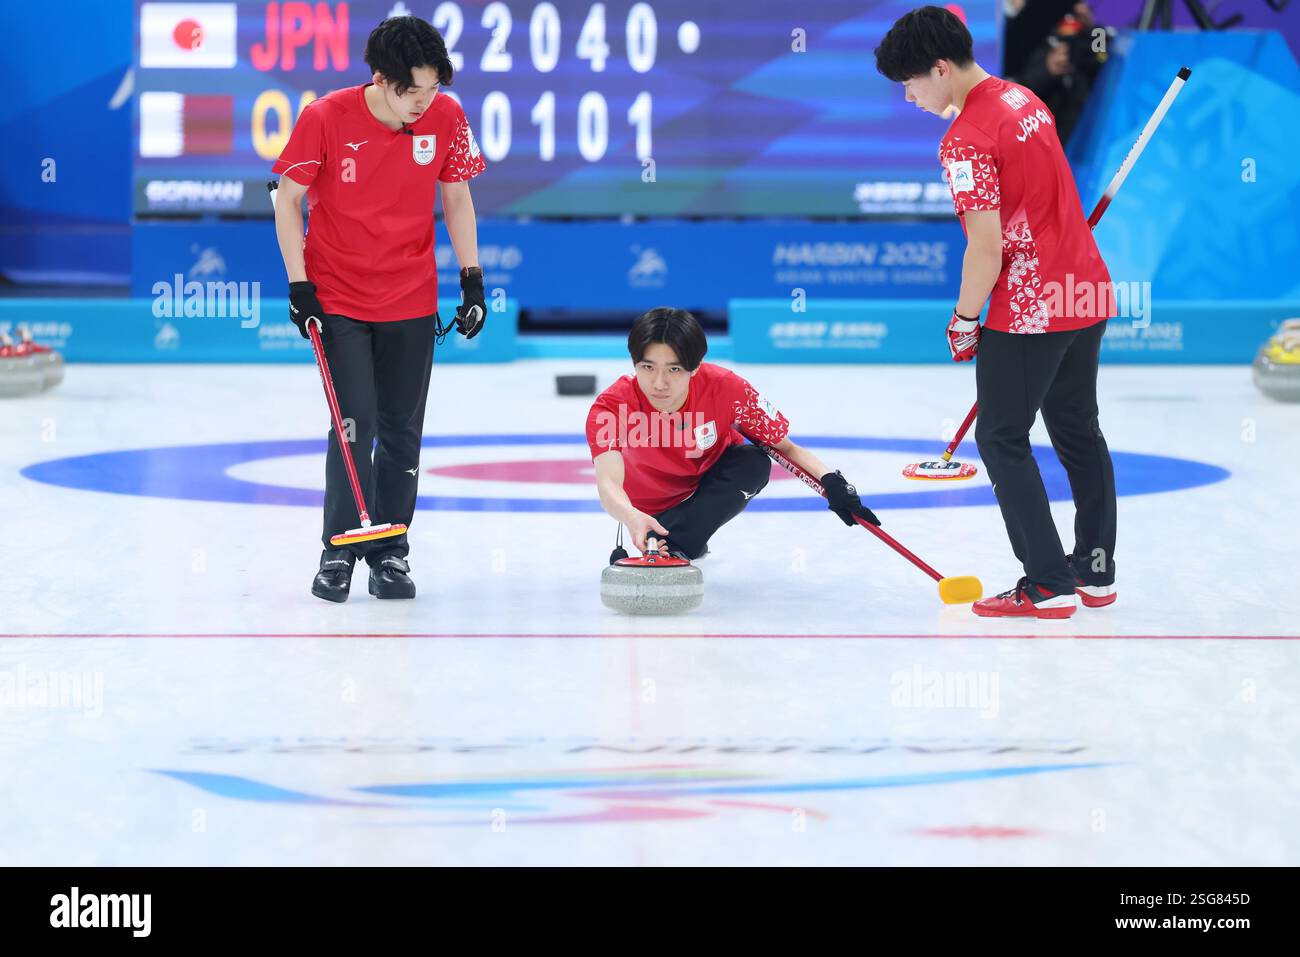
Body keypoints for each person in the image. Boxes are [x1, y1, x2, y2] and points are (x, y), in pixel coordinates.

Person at [874, 6, 1118, 619]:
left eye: (910, 84)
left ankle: (1047, 581)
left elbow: (985, 248)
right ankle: (1094, 572)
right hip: (1084, 288)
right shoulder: (1023, 98)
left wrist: (963, 318)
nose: (908, 98)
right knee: (1076, 430)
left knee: (1002, 437)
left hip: (1031, 306)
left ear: (938, 67)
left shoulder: (963, 140)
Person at [271, 15, 487, 602]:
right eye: (411, 90)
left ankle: (390, 550)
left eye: (432, 89)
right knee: (353, 425)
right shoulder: (325, 117)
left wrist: (472, 279)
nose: (424, 102)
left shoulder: (446, 117)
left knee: (401, 432)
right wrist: (300, 285)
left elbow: (458, 196)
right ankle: (339, 550)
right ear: (380, 78)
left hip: (411, 298)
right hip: (338, 297)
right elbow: (286, 200)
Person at [586, 307, 879, 562]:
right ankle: (678, 537)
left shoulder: (728, 390)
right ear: (634, 364)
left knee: (753, 462)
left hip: (705, 493)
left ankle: (680, 541)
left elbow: (785, 449)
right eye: (647, 367)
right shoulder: (612, 407)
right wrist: (631, 516)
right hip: (648, 510)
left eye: (674, 369)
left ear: (695, 367)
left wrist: (832, 482)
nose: (659, 383)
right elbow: (608, 483)